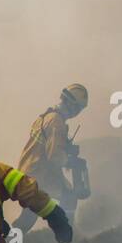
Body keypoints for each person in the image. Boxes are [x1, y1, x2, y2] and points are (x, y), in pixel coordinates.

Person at [14, 84, 89, 232]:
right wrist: (70, 161)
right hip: (38, 175)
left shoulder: (48, 116)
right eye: (78, 109)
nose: (77, 113)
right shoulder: (56, 122)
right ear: (71, 105)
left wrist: (66, 149)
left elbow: (46, 147)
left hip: (32, 171)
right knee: (69, 196)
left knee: (29, 216)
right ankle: (67, 236)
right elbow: (54, 156)